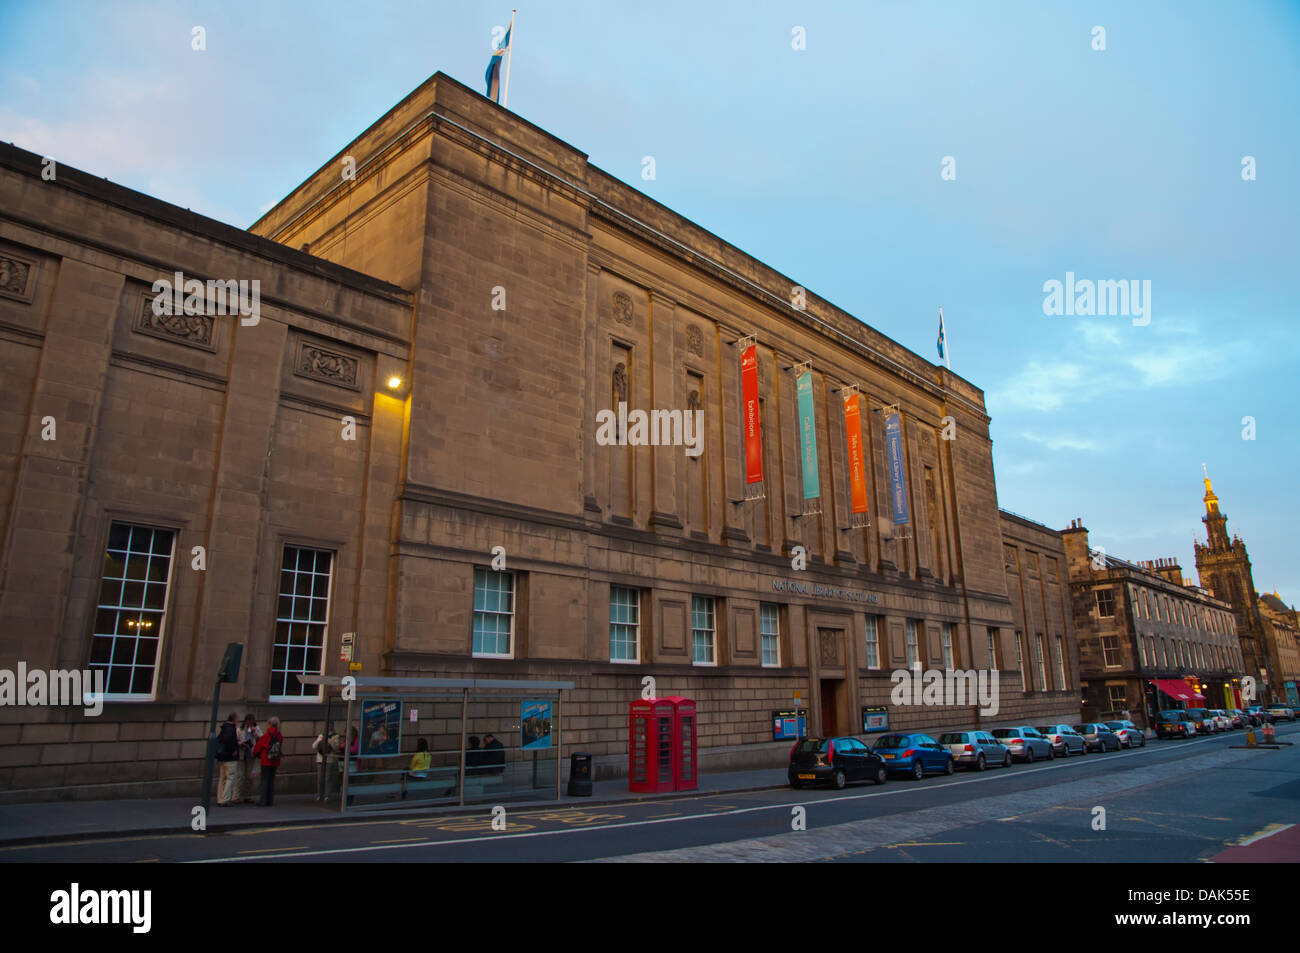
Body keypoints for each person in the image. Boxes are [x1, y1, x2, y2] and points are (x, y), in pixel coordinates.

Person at [252, 716, 284, 806]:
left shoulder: (266, 736)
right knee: (271, 780)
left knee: (264, 781)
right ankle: (270, 800)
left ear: (269, 724)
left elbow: (257, 748)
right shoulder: (280, 736)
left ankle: (263, 800)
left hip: (266, 760)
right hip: (275, 760)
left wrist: (257, 754)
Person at [214, 712, 240, 806]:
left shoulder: (224, 728)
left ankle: (220, 798)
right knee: (231, 777)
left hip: (223, 757)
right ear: (234, 719)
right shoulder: (230, 728)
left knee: (222, 778)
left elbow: (221, 739)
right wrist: (233, 749)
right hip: (230, 757)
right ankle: (225, 799)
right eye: (237, 719)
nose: (238, 721)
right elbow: (227, 739)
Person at [238, 714, 262, 804]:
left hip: (251, 755)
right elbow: (236, 740)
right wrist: (241, 743)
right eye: (248, 722)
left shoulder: (256, 729)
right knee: (240, 776)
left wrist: (254, 732)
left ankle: (247, 796)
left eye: (251, 722)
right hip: (242, 754)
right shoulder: (240, 729)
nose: (250, 724)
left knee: (249, 776)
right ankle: (237, 796)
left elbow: (261, 738)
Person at [312, 723, 334, 802]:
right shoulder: (321, 736)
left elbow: (334, 747)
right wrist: (319, 740)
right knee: (320, 779)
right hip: (320, 760)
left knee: (327, 778)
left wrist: (329, 741)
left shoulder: (335, 736)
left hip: (328, 760)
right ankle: (320, 794)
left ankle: (327, 795)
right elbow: (314, 746)